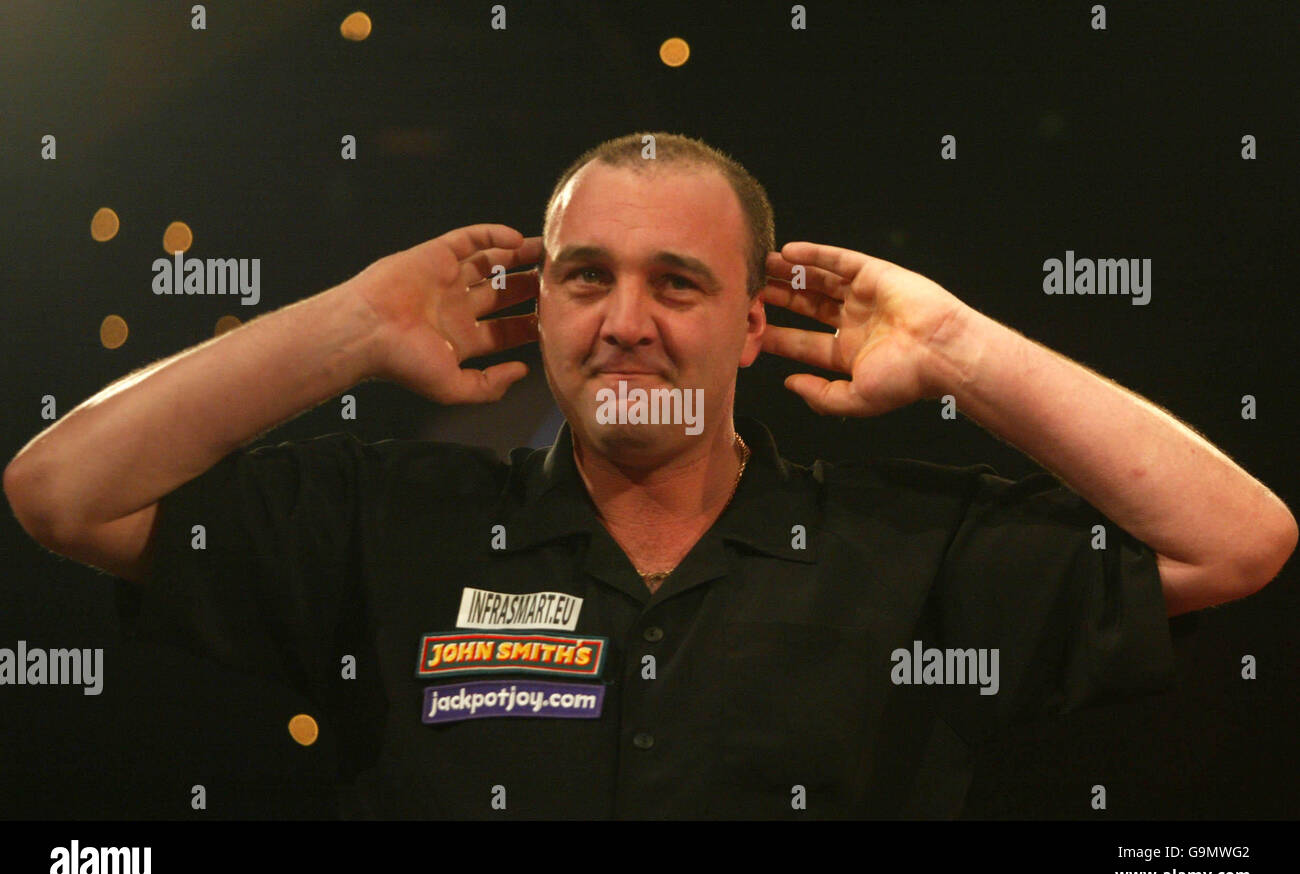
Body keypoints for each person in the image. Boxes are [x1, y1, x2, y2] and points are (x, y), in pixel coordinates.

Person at [5, 132, 1295, 819]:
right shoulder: (391, 521)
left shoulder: (907, 545)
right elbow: (64, 494)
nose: (626, 322)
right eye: (587, 277)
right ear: (546, 309)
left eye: (678, 283)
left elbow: (1237, 541)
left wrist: (961, 348)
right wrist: (347, 325)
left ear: (748, 323)